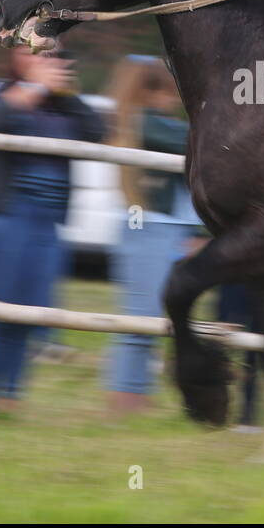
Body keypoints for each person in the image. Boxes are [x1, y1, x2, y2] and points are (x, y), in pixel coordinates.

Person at [0, 47, 103, 415]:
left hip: (49, 220)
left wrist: (64, 93)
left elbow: (98, 131)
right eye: (38, 56)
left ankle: (9, 394)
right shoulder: (0, 92)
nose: (49, 63)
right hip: (8, 214)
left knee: (30, 308)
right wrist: (31, 89)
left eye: (55, 57)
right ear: (16, 60)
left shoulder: (64, 104)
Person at [103, 55, 199, 414]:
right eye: (171, 92)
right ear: (150, 91)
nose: (176, 99)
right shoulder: (144, 123)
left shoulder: (144, 122)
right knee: (139, 319)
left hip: (161, 227)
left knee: (147, 317)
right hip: (150, 228)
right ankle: (126, 399)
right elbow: (194, 140)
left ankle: (133, 395)